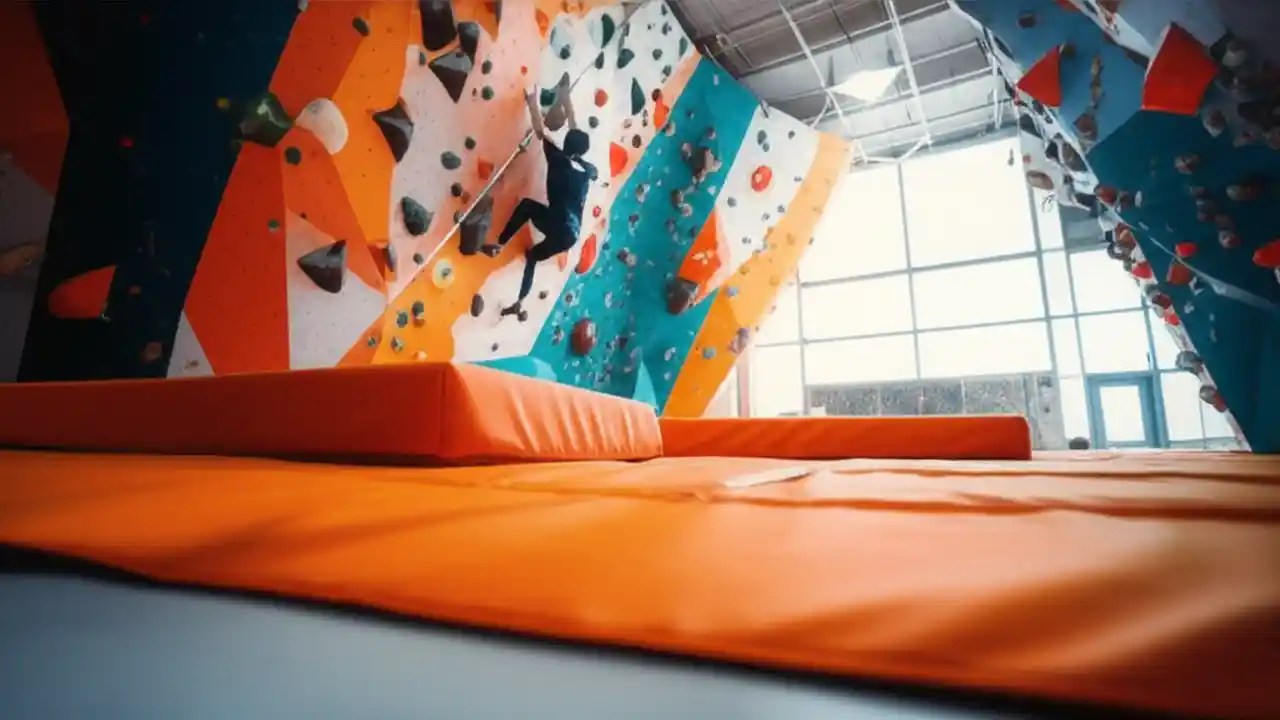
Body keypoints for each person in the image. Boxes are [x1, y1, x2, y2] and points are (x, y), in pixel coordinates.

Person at [480, 87, 597, 320]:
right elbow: (574, 135)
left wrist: (532, 103)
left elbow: (540, 131)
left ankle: (499, 244)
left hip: (558, 223)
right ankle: (519, 302)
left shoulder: (557, 158)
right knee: (532, 256)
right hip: (571, 234)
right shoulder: (588, 171)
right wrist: (566, 100)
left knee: (526, 206)